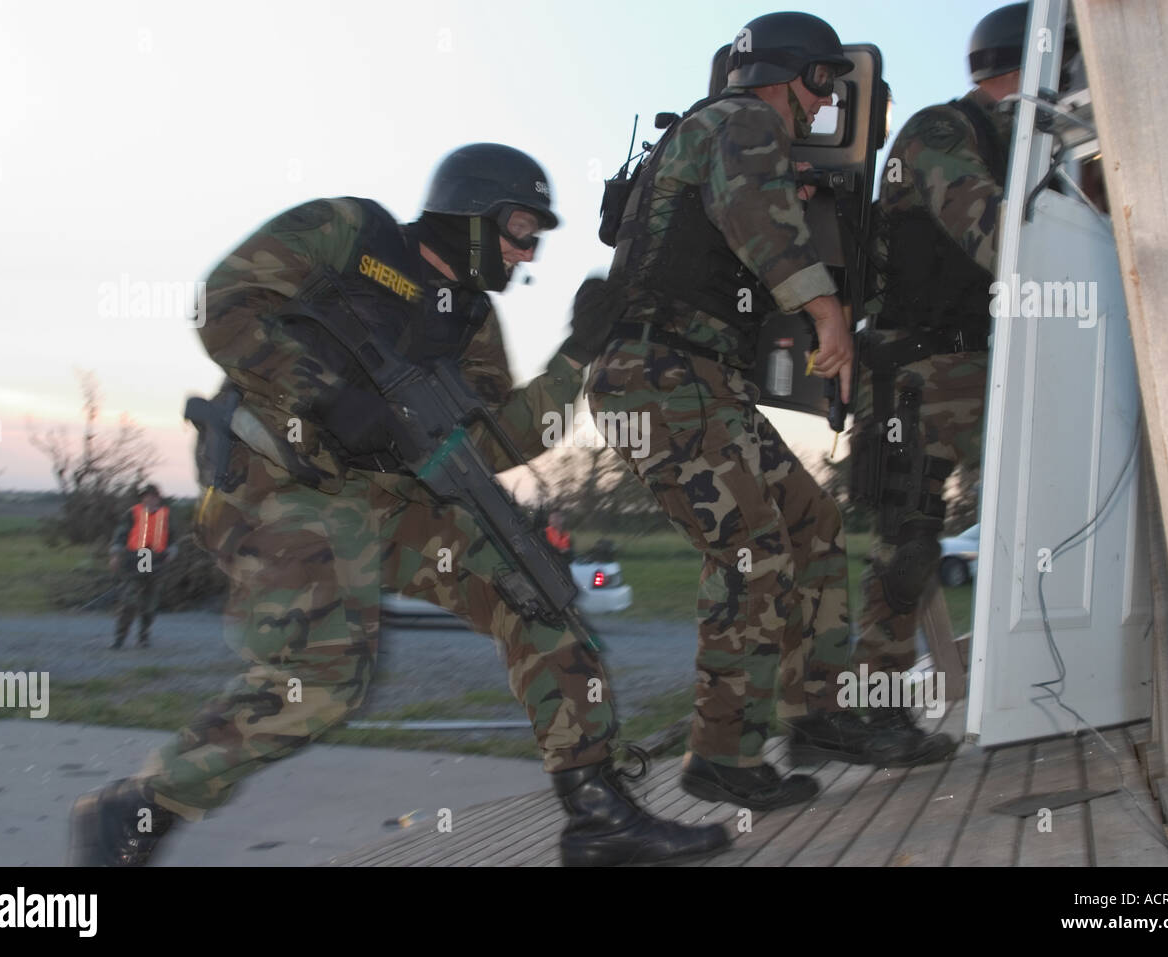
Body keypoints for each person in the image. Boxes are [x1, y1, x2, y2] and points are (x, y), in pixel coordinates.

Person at [68, 143, 728, 868]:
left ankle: (597, 812)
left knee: (538, 597)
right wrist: (324, 393)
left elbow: (491, 443)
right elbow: (221, 302)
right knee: (323, 683)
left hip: (394, 498)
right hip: (283, 485)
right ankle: (140, 805)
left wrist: (577, 356)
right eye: (519, 229)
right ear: (469, 215)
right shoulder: (349, 233)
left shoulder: (471, 321)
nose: (527, 251)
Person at [587, 12, 952, 812]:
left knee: (813, 521)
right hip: (660, 375)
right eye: (824, 87)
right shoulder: (744, 121)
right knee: (751, 554)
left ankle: (817, 715)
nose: (824, 106)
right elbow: (759, 221)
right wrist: (829, 317)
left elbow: (739, 213)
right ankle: (722, 756)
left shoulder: (717, 132)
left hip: (685, 376)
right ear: (799, 75)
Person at [846, 4, 1026, 702]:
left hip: (982, 364)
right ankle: (876, 704)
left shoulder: (1019, 144)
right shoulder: (940, 131)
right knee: (909, 542)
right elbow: (998, 234)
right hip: (916, 372)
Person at [108, 484, 173, 649]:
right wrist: (115, 555)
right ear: (143, 497)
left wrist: (171, 552)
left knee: (149, 604)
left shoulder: (166, 515)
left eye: (153, 496)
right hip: (134, 560)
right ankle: (119, 638)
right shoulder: (132, 513)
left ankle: (144, 636)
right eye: (146, 496)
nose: (149, 499)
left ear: (158, 498)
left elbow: (172, 538)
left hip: (156, 562)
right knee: (129, 601)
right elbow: (120, 536)